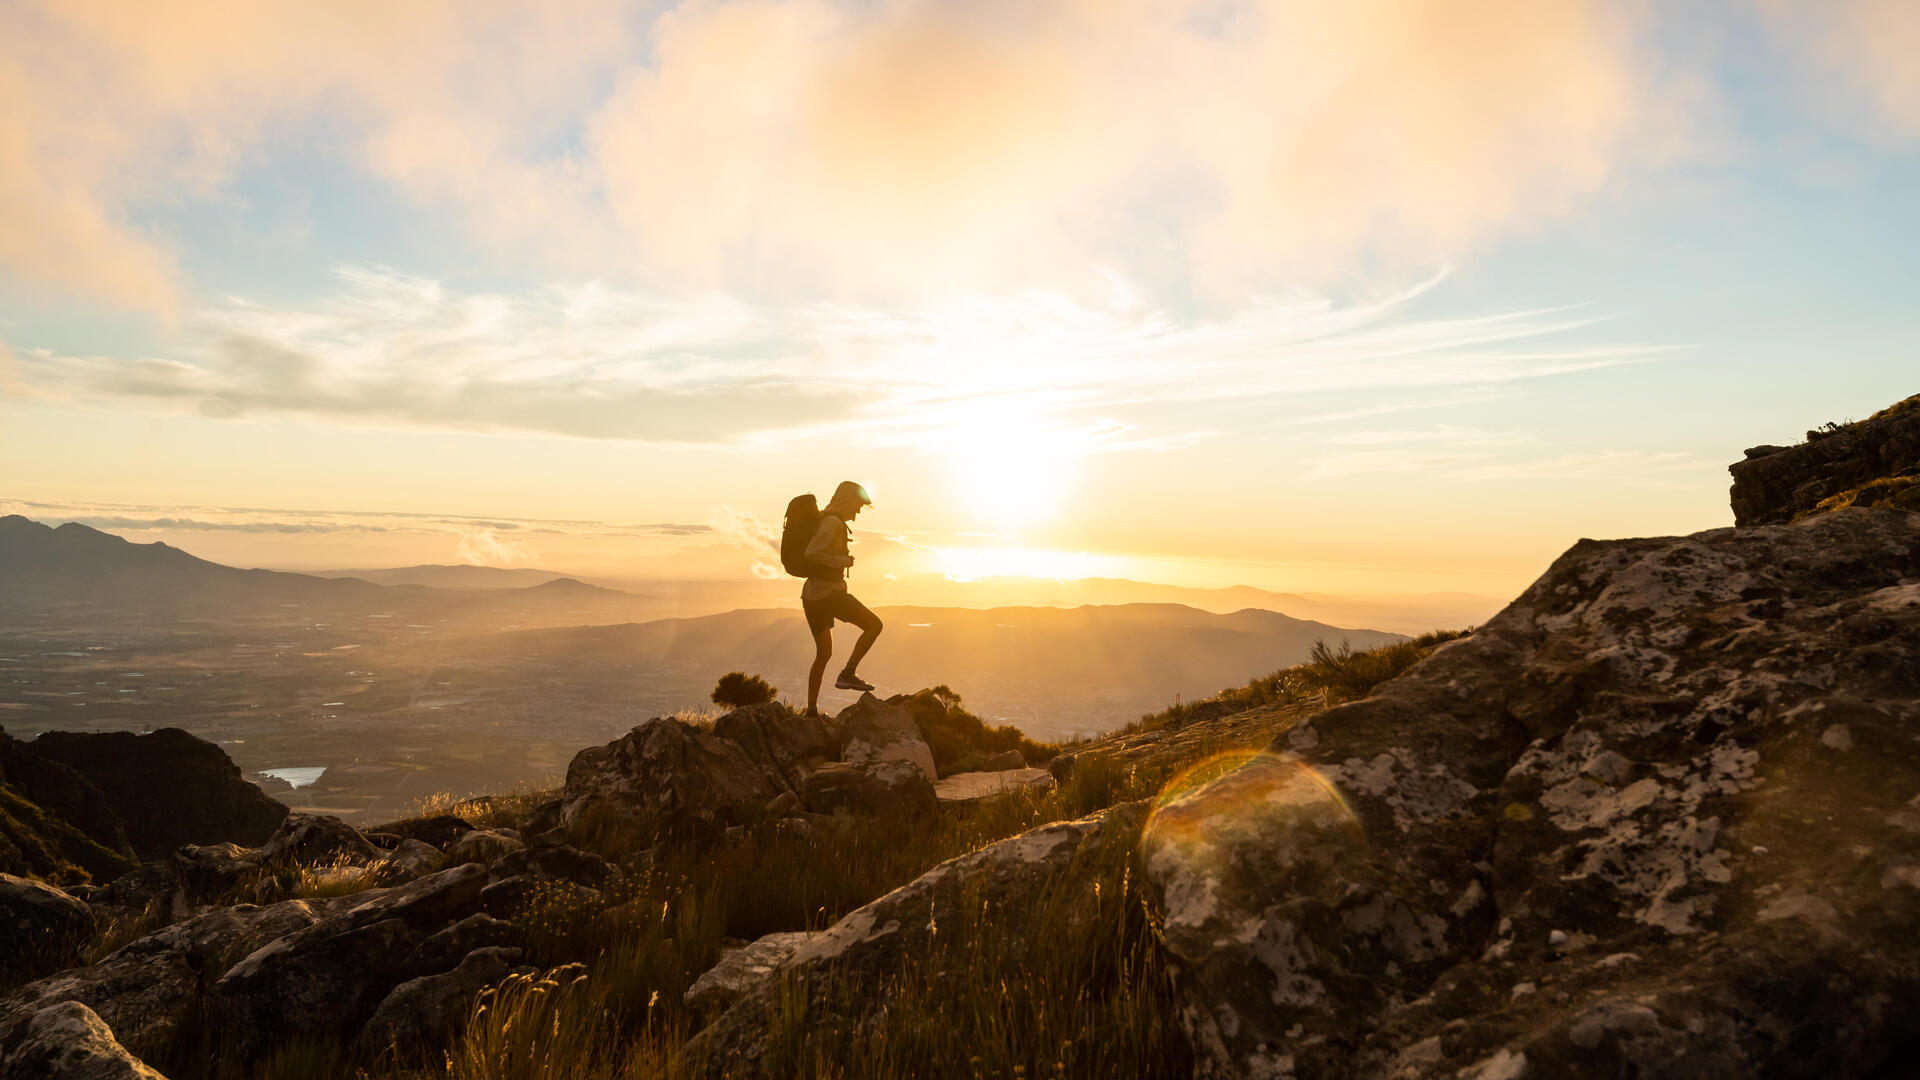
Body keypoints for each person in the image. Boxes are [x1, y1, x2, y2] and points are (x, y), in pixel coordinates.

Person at [803, 480, 883, 715]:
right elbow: (812, 553)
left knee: (823, 654)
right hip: (829, 594)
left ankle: (811, 710)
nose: (857, 513)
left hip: (812, 596)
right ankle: (848, 673)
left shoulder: (827, 520)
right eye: (857, 506)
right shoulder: (832, 523)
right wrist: (843, 561)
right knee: (874, 625)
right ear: (848, 502)